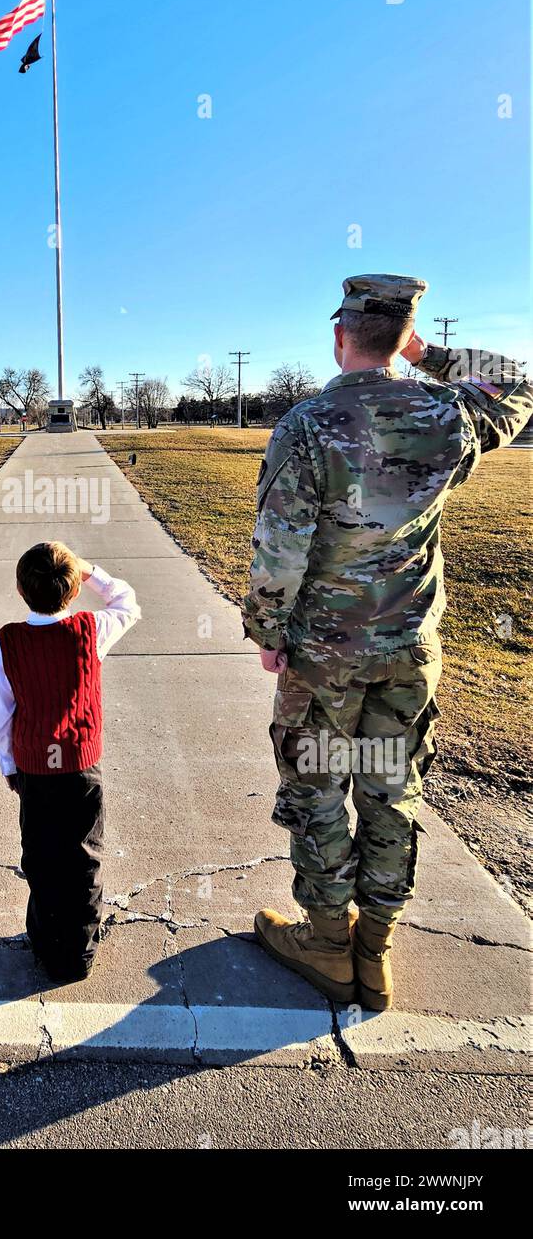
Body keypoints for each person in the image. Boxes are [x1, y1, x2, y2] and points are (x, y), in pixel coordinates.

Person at [242, 275, 532, 1010]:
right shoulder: (448, 411)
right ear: (403, 335)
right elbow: (521, 382)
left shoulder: (308, 424)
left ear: (338, 334)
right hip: (408, 648)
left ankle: (327, 943)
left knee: (316, 790)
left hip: (324, 654)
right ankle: (375, 951)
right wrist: (429, 356)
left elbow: (281, 546)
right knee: (389, 790)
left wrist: (268, 633)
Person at [0, 542, 140, 982]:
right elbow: (127, 601)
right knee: (83, 858)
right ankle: (78, 951)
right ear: (73, 592)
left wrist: (8, 764)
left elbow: (2, 711)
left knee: (40, 855)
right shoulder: (90, 630)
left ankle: (44, 938)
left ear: (20, 590)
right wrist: (89, 568)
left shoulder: (9, 640)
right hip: (80, 767)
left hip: (34, 768)